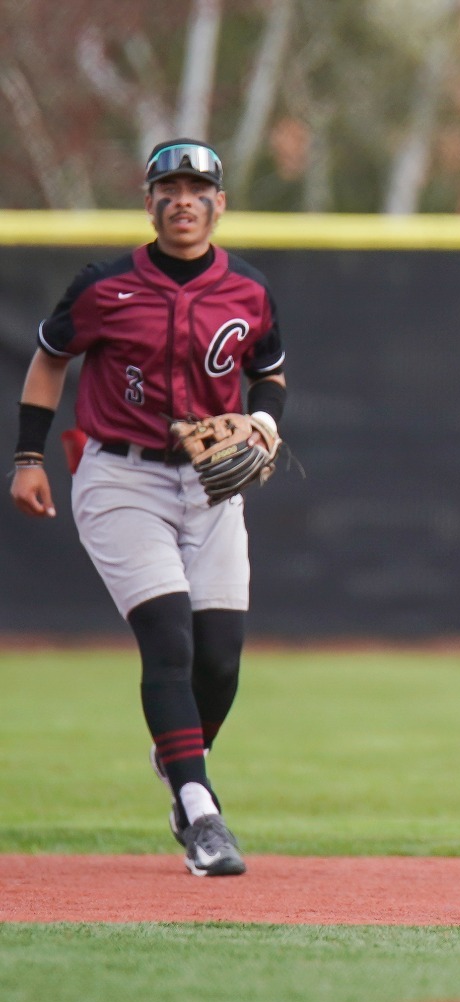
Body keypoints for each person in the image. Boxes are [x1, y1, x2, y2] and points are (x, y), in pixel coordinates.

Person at [10, 138, 289, 877]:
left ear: (220, 204)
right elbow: (49, 356)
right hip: (120, 478)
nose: (185, 201)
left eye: (199, 188)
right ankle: (201, 813)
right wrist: (30, 456)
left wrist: (263, 423)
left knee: (220, 661)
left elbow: (269, 370)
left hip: (209, 488)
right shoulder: (105, 286)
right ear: (150, 201)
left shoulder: (249, 291)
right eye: (170, 187)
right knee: (168, 639)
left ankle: (179, 763)